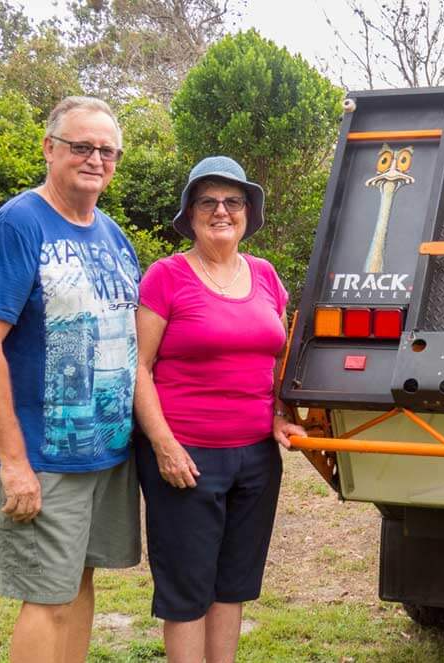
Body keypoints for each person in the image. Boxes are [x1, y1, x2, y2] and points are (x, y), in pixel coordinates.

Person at [0, 96, 141, 663]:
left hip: (104, 452)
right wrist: (13, 461)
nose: (95, 159)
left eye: (106, 150)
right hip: (43, 455)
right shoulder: (17, 225)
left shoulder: (111, 234)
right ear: (50, 149)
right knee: (46, 598)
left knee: (78, 582)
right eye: (81, 146)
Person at [133, 156, 306, 662]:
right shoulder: (166, 277)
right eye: (207, 201)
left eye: (233, 201)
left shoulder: (266, 276)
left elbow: (278, 356)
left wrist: (277, 411)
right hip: (186, 457)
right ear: (189, 214)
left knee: (233, 585)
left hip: (255, 458)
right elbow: (138, 368)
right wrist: (164, 444)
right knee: (188, 592)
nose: (221, 211)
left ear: (249, 211)